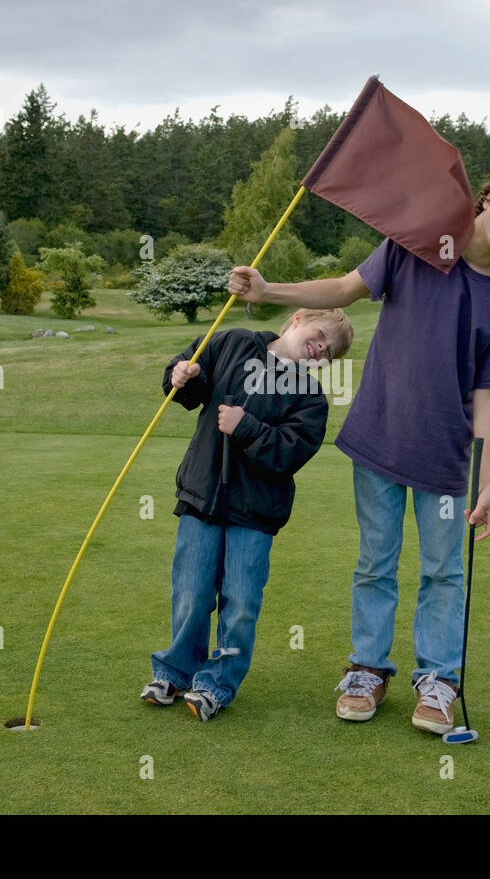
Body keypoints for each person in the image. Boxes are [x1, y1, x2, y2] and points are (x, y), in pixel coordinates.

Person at [228, 169, 490, 734]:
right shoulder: (415, 244)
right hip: (378, 439)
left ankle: (438, 682)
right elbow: (343, 290)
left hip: (444, 457)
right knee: (374, 564)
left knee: (443, 571)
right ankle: (367, 670)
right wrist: (268, 292)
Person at [142, 308, 354, 720]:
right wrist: (180, 375)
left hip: (256, 512)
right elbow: (187, 383)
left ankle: (216, 683)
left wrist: (245, 426)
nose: (320, 349)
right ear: (297, 319)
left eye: (329, 352)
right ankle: (175, 670)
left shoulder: (310, 398)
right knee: (191, 591)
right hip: (202, 495)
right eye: (320, 335)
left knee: (239, 603)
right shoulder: (232, 341)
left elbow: (288, 452)